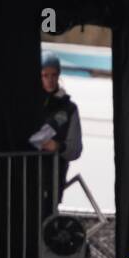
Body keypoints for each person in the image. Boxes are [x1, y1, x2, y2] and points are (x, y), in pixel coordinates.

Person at [34, 51, 83, 210]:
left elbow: (75, 149)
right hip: (25, 179)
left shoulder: (69, 109)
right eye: (45, 75)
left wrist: (58, 147)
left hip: (52, 182)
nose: (50, 80)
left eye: (54, 75)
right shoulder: (26, 104)